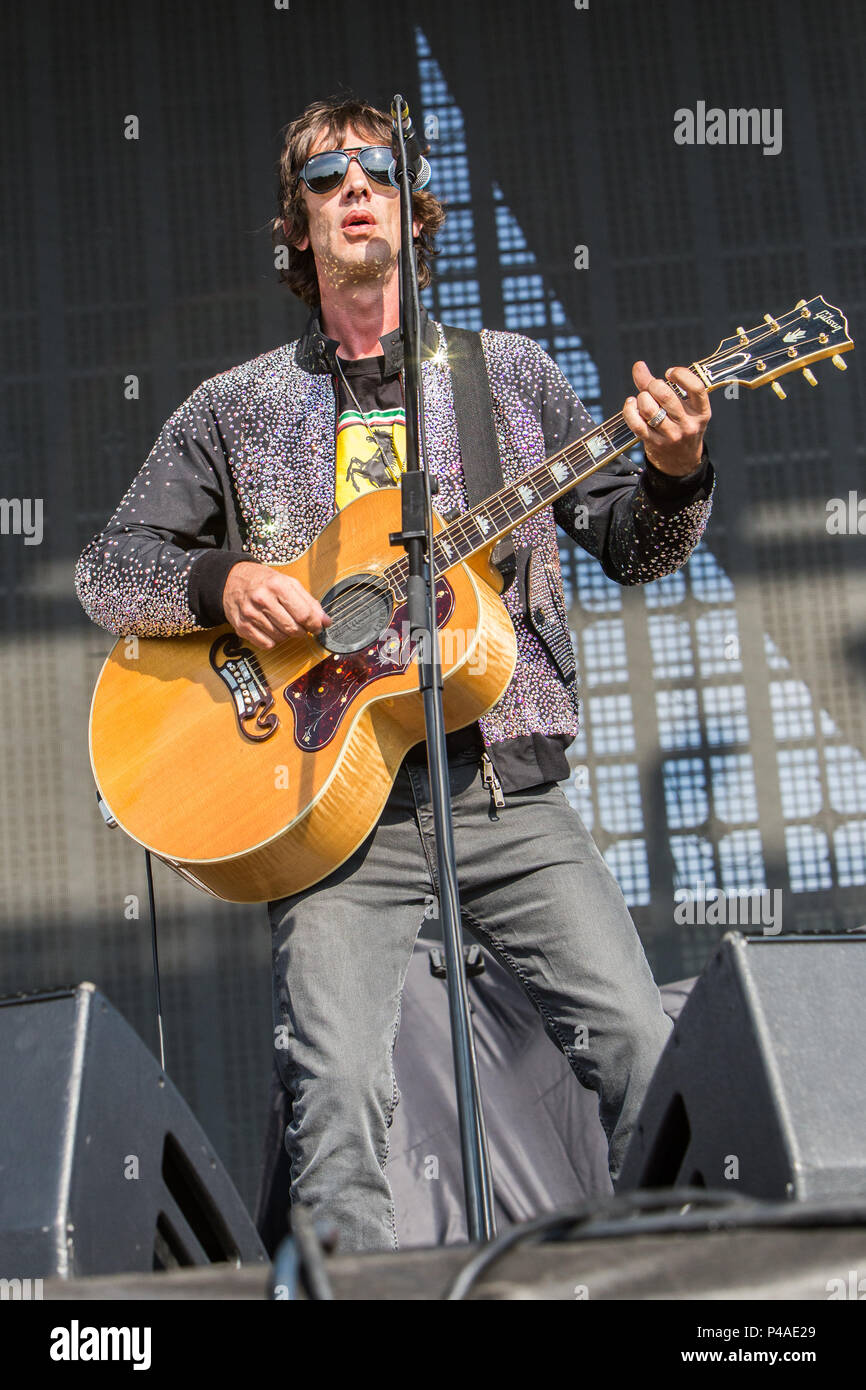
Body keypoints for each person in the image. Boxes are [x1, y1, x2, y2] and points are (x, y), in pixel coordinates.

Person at [75, 96, 715, 1254]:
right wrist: (222, 584)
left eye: (376, 170)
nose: (354, 188)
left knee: (637, 1044)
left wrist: (673, 472)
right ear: (300, 224)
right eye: (327, 177)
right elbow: (109, 572)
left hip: (503, 794)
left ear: (414, 215)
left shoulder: (509, 377)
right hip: (330, 812)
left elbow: (631, 545)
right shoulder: (237, 405)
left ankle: (686, 1301)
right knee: (336, 1113)